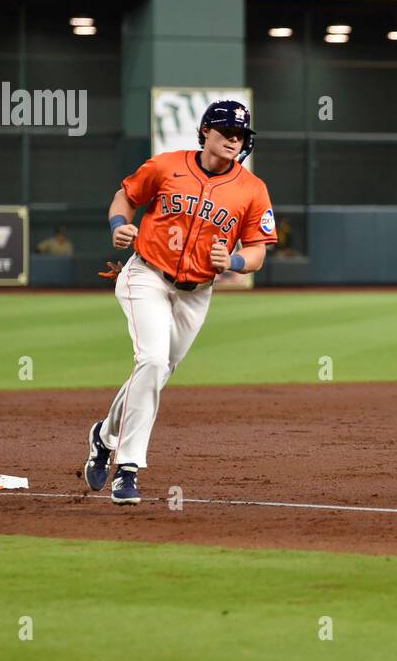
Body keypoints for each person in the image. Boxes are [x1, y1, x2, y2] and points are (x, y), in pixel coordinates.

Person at [86, 102, 279, 505]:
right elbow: (125, 196)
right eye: (226, 130)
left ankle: (105, 436)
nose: (233, 139)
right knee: (152, 362)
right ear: (205, 131)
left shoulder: (252, 189)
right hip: (146, 276)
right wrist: (119, 225)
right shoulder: (165, 166)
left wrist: (238, 261)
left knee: (155, 373)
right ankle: (128, 469)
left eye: (240, 134)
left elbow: (259, 248)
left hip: (197, 293)